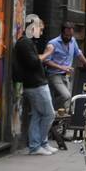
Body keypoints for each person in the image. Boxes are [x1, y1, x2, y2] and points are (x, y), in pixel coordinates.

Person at [13, 15, 57, 156]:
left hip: (36, 83)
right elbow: (33, 62)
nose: (42, 33)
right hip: (35, 85)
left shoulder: (28, 43)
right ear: (33, 28)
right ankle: (36, 145)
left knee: (38, 115)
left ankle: (39, 144)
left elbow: (34, 60)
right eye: (40, 29)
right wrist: (48, 53)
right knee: (49, 114)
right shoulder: (24, 43)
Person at [44, 22, 86, 112]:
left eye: (70, 35)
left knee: (68, 101)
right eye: (66, 35)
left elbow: (79, 54)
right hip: (55, 75)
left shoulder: (73, 41)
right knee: (66, 96)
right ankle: (51, 112)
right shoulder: (53, 43)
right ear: (62, 33)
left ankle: (61, 121)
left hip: (67, 76)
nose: (69, 37)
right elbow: (46, 61)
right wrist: (61, 67)